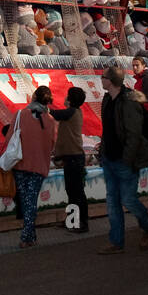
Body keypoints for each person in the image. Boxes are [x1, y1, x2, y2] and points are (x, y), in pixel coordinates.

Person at [97, 66, 148, 254]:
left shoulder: (129, 101)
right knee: (112, 201)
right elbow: (107, 129)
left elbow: (133, 134)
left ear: (111, 81)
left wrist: (127, 159)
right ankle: (116, 241)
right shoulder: (107, 99)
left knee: (128, 200)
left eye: (103, 77)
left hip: (124, 160)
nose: (101, 79)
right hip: (110, 158)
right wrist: (103, 152)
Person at [13, 85, 57, 248]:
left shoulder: (21, 115)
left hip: (20, 163)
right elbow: (53, 143)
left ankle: (27, 236)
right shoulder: (51, 120)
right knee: (30, 199)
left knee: (26, 200)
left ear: (33, 97)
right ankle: (29, 236)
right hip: (39, 165)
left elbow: (10, 136)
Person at [51, 88, 88, 233]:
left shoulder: (71, 112)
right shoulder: (74, 112)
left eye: (67, 96)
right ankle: (72, 221)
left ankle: (82, 223)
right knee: (72, 191)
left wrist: (42, 105)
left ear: (71, 100)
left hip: (74, 158)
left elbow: (54, 113)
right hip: (72, 158)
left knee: (76, 192)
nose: (65, 98)